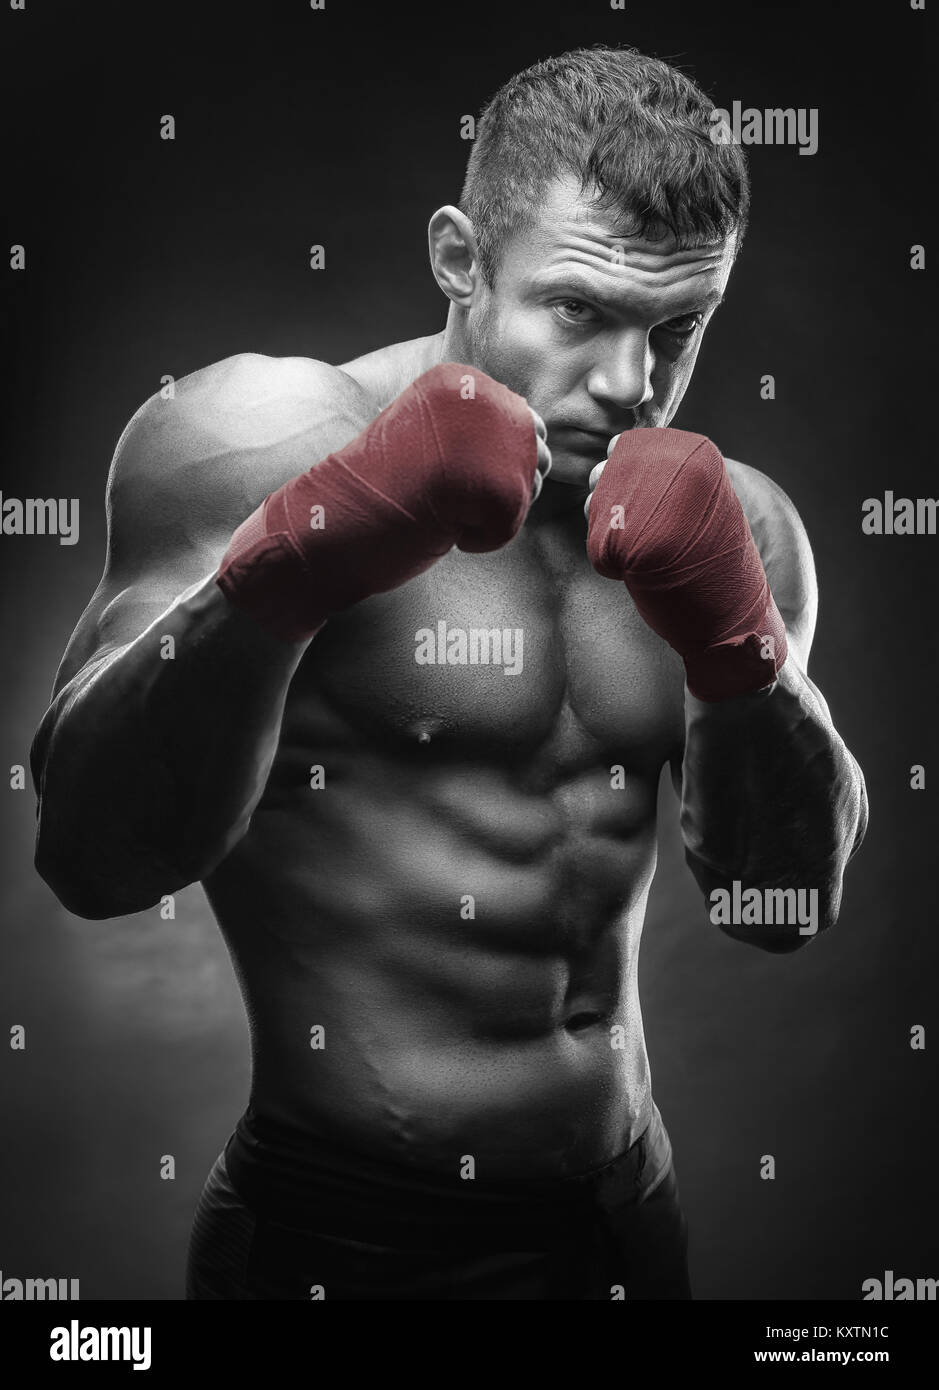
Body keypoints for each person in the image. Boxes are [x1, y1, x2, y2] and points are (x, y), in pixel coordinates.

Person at [30, 45, 867, 1300]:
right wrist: (308, 554)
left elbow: (784, 906)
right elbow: (92, 856)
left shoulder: (736, 525)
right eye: (580, 310)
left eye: (678, 329)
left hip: (624, 1217)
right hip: (340, 1236)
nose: (631, 388)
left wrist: (740, 646)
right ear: (460, 259)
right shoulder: (256, 444)